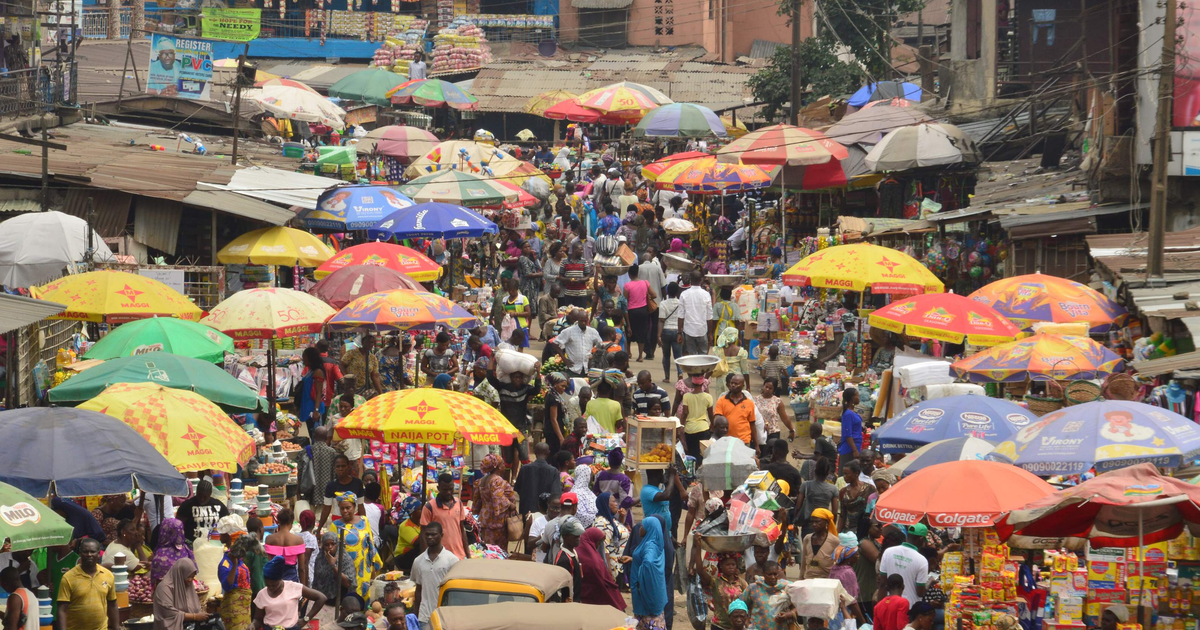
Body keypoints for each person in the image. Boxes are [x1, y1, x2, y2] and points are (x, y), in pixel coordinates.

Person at [56, 539, 118, 630]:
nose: (89, 554)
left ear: (98, 554)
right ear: (80, 554)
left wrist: (116, 628)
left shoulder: (108, 575)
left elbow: (112, 604)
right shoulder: (68, 577)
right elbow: (62, 610)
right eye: (85, 552)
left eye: (92, 552)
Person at [251, 557, 327, 630]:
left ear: (280, 579)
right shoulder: (262, 594)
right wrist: (253, 625)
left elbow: (321, 598)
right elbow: (258, 619)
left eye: (274, 585)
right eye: (268, 585)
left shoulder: (293, 587)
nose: (271, 588)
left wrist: (305, 619)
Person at [333, 492, 382, 600]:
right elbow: (332, 548)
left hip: (363, 568)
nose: (345, 511)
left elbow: (371, 544)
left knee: (363, 597)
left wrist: (373, 565)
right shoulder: (335, 525)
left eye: (348, 507)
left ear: (355, 507)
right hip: (345, 569)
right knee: (348, 600)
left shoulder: (364, 521)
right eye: (342, 508)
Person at [411, 522, 459, 630]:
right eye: (427, 534)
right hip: (425, 617)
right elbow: (418, 589)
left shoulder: (452, 560)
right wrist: (416, 613)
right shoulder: (418, 561)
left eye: (433, 534)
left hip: (445, 617)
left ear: (441, 535)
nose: (429, 537)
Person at [692, 542, 746, 630]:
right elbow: (700, 571)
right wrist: (698, 547)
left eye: (733, 565)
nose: (731, 567)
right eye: (727, 565)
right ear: (721, 566)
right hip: (719, 625)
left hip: (738, 626)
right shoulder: (715, 582)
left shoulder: (742, 583)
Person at [420, 473, 471, 560]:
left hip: (459, 555)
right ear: (438, 488)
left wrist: (468, 555)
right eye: (445, 489)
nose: (448, 492)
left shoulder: (458, 503)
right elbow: (423, 534)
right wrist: (426, 557)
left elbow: (462, 530)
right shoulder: (429, 507)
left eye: (451, 489)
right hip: (440, 557)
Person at [630, 518, 668, 630]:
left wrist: (639, 580)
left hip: (644, 599)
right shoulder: (656, 542)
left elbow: (649, 563)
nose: (640, 528)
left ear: (649, 529)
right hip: (653, 597)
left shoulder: (650, 545)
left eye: (642, 526)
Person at [472, 454, 517, 548]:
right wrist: (510, 505)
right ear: (499, 466)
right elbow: (498, 498)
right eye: (503, 464)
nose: (505, 466)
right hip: (496, 521)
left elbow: (476, 502)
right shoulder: (497, 480)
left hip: (484, 519)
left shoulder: (481, 481)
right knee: (499, 548)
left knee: (487, 547)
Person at [879, 524, 929, 605]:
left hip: (889, 605)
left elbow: (882, 583)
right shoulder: (922, 560)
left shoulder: (888, 552)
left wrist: (880, 607)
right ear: (921, 539)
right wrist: (930, 582)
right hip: (909, 608)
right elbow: (920, 592)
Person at [579, 527, 626, 610]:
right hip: (593, 593)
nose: (598, 545)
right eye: (598, 542)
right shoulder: (589, 557)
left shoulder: (592, 552)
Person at [153, 559, 207, 630]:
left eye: (192, 577)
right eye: (188, 577)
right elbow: (168, 612)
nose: (190, 580)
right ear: (180, 574)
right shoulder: (164, 588)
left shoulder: (187, 586)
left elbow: (196, 607)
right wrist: (194, 617)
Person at [739, 561, 795, 630]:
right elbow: (740, 604)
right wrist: (747, 623)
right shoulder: (753, 588)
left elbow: (798, 606)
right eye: (769, 574)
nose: (773, 577)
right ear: (763, 574)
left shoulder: (786, 588)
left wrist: (787, 615)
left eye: (775, 574)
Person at [217, 535, 256, 630]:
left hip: (245, 606)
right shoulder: (225, 564)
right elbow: (226, 586)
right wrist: (234, 565)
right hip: (234, 607)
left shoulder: (239, 560)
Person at [319, 455, 365, 532]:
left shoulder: (357, 483)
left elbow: (361, 506)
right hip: (337, 522)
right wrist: (319, 528)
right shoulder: (331, 486)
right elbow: (326, 509)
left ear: (348, 466)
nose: (340, 469)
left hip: (355, 521)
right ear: (335, 468)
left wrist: (364, 524)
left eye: (343, 466)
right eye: (338, 466)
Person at [514, 443, 561, 516]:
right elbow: (555, 493)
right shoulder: (554, 471)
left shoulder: (524, 469)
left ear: (535, 452)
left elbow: (517, 489)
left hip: (526, 511)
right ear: (548, 453)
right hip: (544, 514)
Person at [593, 492, 631, 580]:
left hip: (619, 567)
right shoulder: (602, 523)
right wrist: (609, 576)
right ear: (606, 504)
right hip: (613, 570)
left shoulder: (610, 519)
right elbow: (604, 550)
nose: (616, 504)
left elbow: (616, 534)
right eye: (613, 501)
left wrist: (622, 518)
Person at [622, 265, 657, 362]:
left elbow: (625, 301)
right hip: (643, 311)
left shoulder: (627, 286)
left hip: (631, 311)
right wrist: (646, 298)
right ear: (638, 273)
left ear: (629, 275)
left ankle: (628, 353)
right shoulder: (645, 283)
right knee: (642, 333)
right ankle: (640, 356)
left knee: (629, 331)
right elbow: (654, 295)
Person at [263, 508, 307, 584]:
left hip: (275, 581)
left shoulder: (269, 539)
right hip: (292, 580)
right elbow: (301, 569)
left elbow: (269, 564)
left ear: (278, 521)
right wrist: (303, 589)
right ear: (292, 521)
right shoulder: (298, 540)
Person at [714, 374, 756, 451]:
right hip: (726, 441)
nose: (733, 385)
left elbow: (752, 424)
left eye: (736, 384)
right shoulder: (721, 401)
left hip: (744, 442)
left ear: (742, 386)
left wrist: (756, 445)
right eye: (732, 383)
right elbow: (717, 418)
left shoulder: (749, 403)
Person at [555, 309, 602, 376]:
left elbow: (600, 345)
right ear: (578, 320)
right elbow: (555, 343)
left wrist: (594, 355)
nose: (583, 323)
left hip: (588, 369)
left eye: (585, 321)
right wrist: (564, 359)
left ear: (588, 320)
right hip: (573, 369)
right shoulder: (569, 331)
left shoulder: (593, 332)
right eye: (581, 321)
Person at [594, 450, 634, 528]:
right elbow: (626, 501)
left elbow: (596, 492)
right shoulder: (624, 479)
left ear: (609, 461)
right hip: (619, 513)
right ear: (621, 462)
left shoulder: (600, 475)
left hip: (603, 510)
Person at [151, 519, 195, 587]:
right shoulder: (186, 550)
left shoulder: (160, 555)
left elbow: (156, 583)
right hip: (186, 592)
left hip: (166, 594)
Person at [679, 375, 714, 458]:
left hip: (690, 429)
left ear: (692, 384)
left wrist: (680, 427)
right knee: (702, 454)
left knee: (691, 454)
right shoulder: (708, 397)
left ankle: (693, 470)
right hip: (703, 428)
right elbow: (710, 414)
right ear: (703, 384)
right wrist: (712, 425)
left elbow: (685, 413)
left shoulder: (686, 396)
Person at [678, 271, 713, 356]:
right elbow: (709, 316)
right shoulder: (706, 294)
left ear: (690, 280)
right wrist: (710, 333)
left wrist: (679, 332)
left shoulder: (684, 294)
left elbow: (680, 315)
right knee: (703, 356)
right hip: (702, 329)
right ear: (701, 280)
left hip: (689, 329)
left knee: (692, 356)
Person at [710, 327, 749, 401]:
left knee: (722, 401)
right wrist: (748, 386)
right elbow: (745, 371)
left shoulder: (718, 350)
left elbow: (712, 367)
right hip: (737, 381)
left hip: (722, 380)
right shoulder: (741, 351)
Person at [755, 378, 794, 450]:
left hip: (772, 433)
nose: (767, 389)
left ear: (774, 390)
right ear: (763, 386)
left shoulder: (777, 401)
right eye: (766, 387)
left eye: (770, 388)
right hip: (758, 433)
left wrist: (791, 430)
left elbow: (784, 418)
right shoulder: (755, 400)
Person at [639, 469, 681, 536]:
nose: (663, 475)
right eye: (662, 473)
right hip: (654, 533)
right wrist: (672, 476)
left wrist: (669, 535)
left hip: (664, 532)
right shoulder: (647, 490)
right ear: (656, 475)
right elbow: (667, 496)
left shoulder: (658, 489)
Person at [551, 517, 584, 601]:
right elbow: (562, 587)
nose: (578, 539)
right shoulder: (564, 560)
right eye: (575, 537)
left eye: (579, 536)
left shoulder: (573, 552)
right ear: (565, 537)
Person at [800, 509, 839, 579]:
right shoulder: (807, 539)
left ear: (826, 522)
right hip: (808, 579)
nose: (814, 524)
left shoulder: (834, 541)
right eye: (812, 522)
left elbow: (838, 565)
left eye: (817, 522)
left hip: (826, 581)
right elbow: (803, 564)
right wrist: (800, 579)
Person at [838, 460, 874, 534]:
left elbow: (874, 511)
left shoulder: (869, 489)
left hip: (864, 529)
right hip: (848, 531)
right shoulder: (843, 492)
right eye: (843, 474)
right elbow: (843, 515)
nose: (844, 477)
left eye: (847, 474)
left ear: (856, 473)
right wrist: (837, 533)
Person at [657, 282, 683, 382]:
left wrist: (658, 335)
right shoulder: (680, 303)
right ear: (677, 292)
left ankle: (667, 377)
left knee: (666, 355)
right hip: (677, 331)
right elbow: (682, 318)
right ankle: (680, 373)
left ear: (667, 291)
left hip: (666, 331)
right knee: (678, 355)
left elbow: (661, 320)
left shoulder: (663, 304)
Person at [299, 347, 327, 430]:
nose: (303, 360)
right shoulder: (310, 370)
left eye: (304, 357)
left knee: (315, 433)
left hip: (313, 407)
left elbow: (319, 392)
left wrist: (316, 410)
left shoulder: (318, 372)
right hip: (307, 405)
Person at [543, 373, 571, 454]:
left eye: (565, 386)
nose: (564, 388)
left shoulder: (552, 395)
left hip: (552, 431)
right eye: (562, 386)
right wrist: (561, 438)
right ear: (555, 384)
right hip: (553, 433)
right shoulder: (554, 399)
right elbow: (553, 419)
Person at [839, 388, 864, 473]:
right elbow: (848, 434)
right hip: (849, 449)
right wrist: (854, 450)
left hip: (855, 446)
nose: (859, 397)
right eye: (857, 395)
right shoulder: (848, 414)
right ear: (853, 398)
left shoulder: (853, 412)